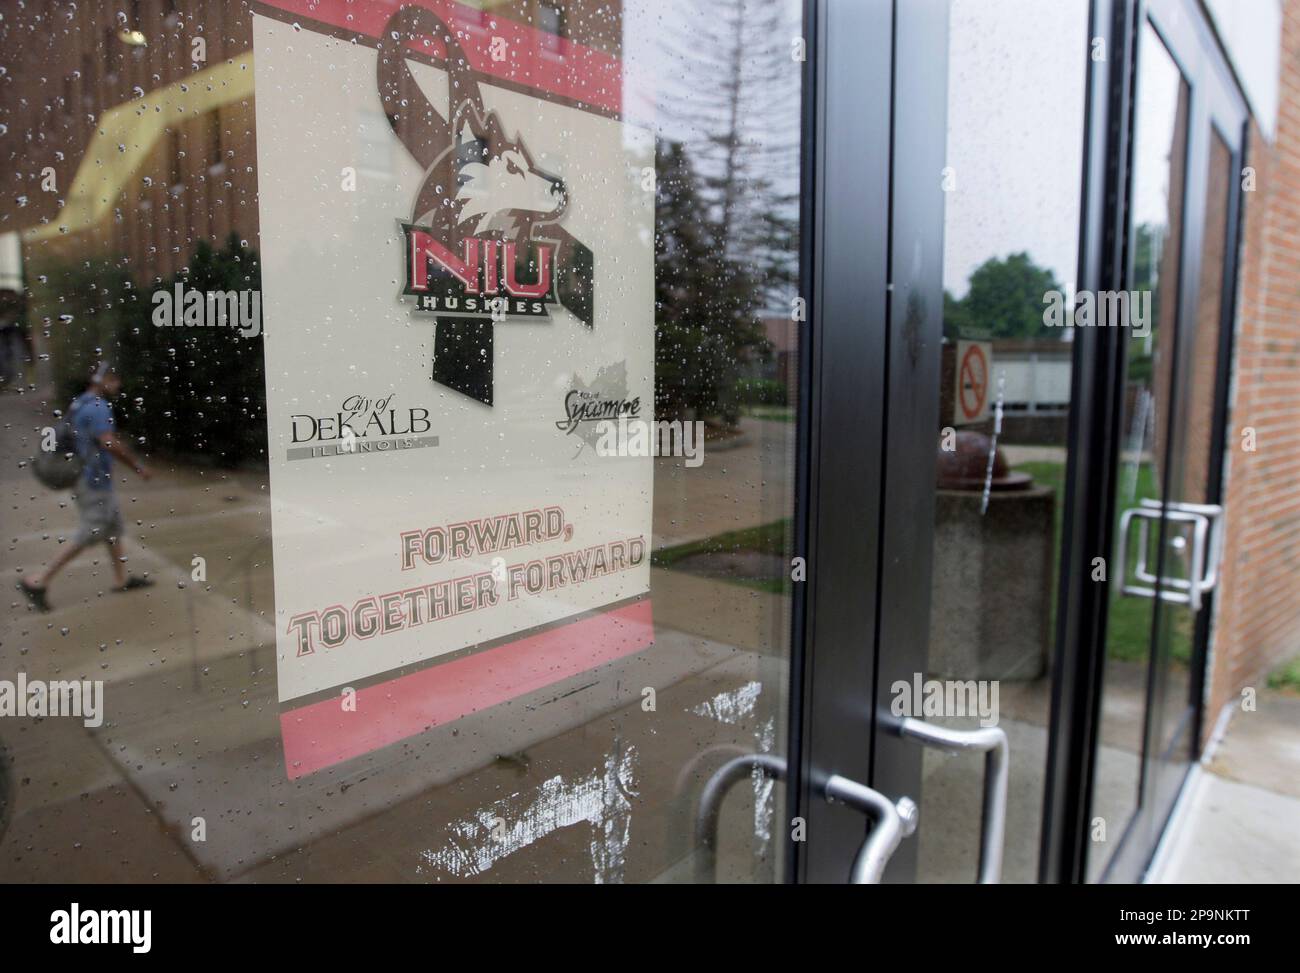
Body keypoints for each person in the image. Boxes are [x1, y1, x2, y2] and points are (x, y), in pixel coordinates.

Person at [19, 362, 153, 611]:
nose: (118, 385)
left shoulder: (82, 401)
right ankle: (38, 581)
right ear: (104, 380)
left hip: (92, 475)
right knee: (92, 531)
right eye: (115, 380)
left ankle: (121, 579)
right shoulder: (98, 407)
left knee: (113, 526)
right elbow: (108, 442)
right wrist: (138, 467)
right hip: (92, 479)